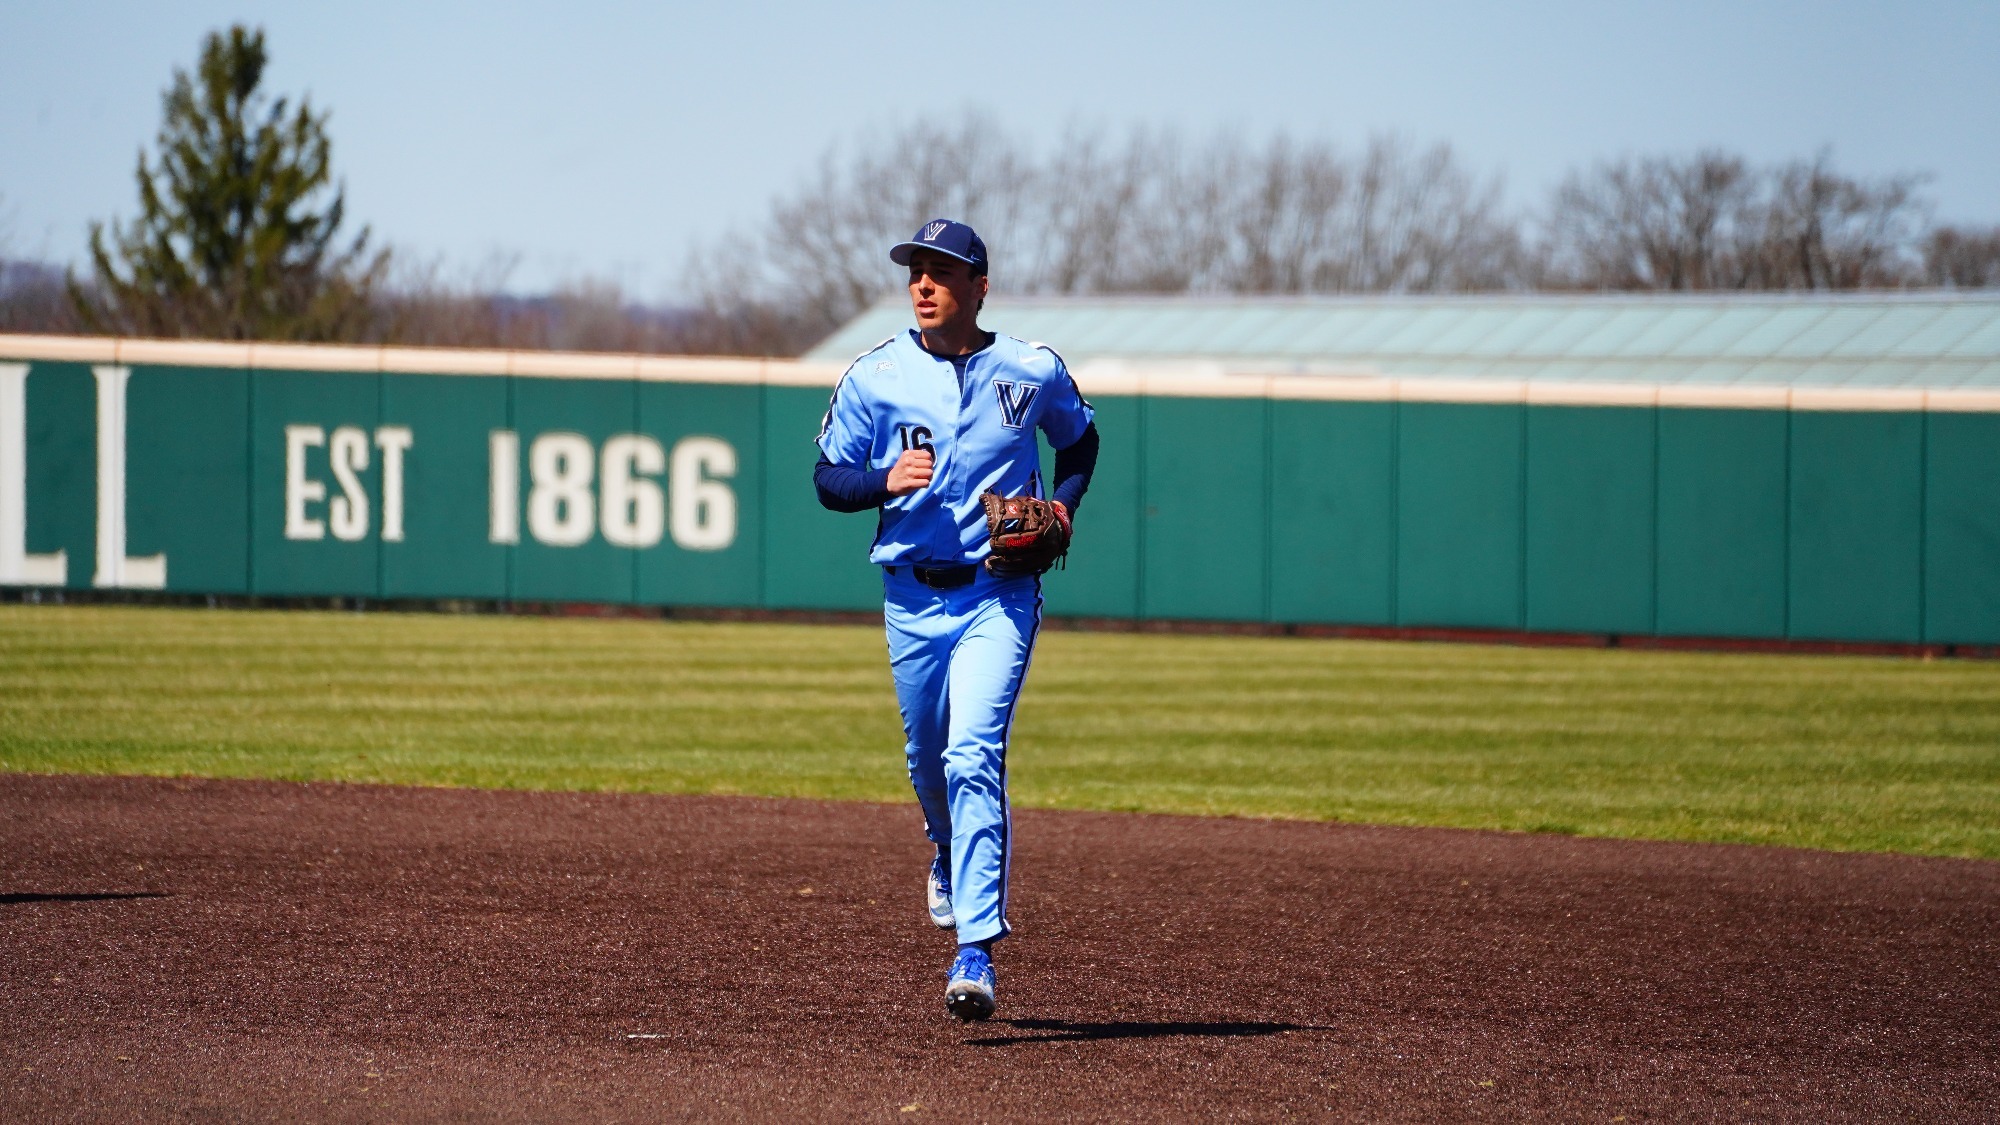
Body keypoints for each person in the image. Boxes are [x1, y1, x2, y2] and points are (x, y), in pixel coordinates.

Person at [813, 219, 1100, 1021]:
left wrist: (1063, 509)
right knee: (927, 760)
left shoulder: (1030, 369)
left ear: (980, 286)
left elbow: (1081, 444)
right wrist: (880, 478)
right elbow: (827, 478)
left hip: (998, 591)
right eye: (916, 271)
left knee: (974, 752)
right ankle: (944, 848)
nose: (925, 284)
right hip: (910, 594)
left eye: (943, 271)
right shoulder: (875, 376)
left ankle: (974, 949)